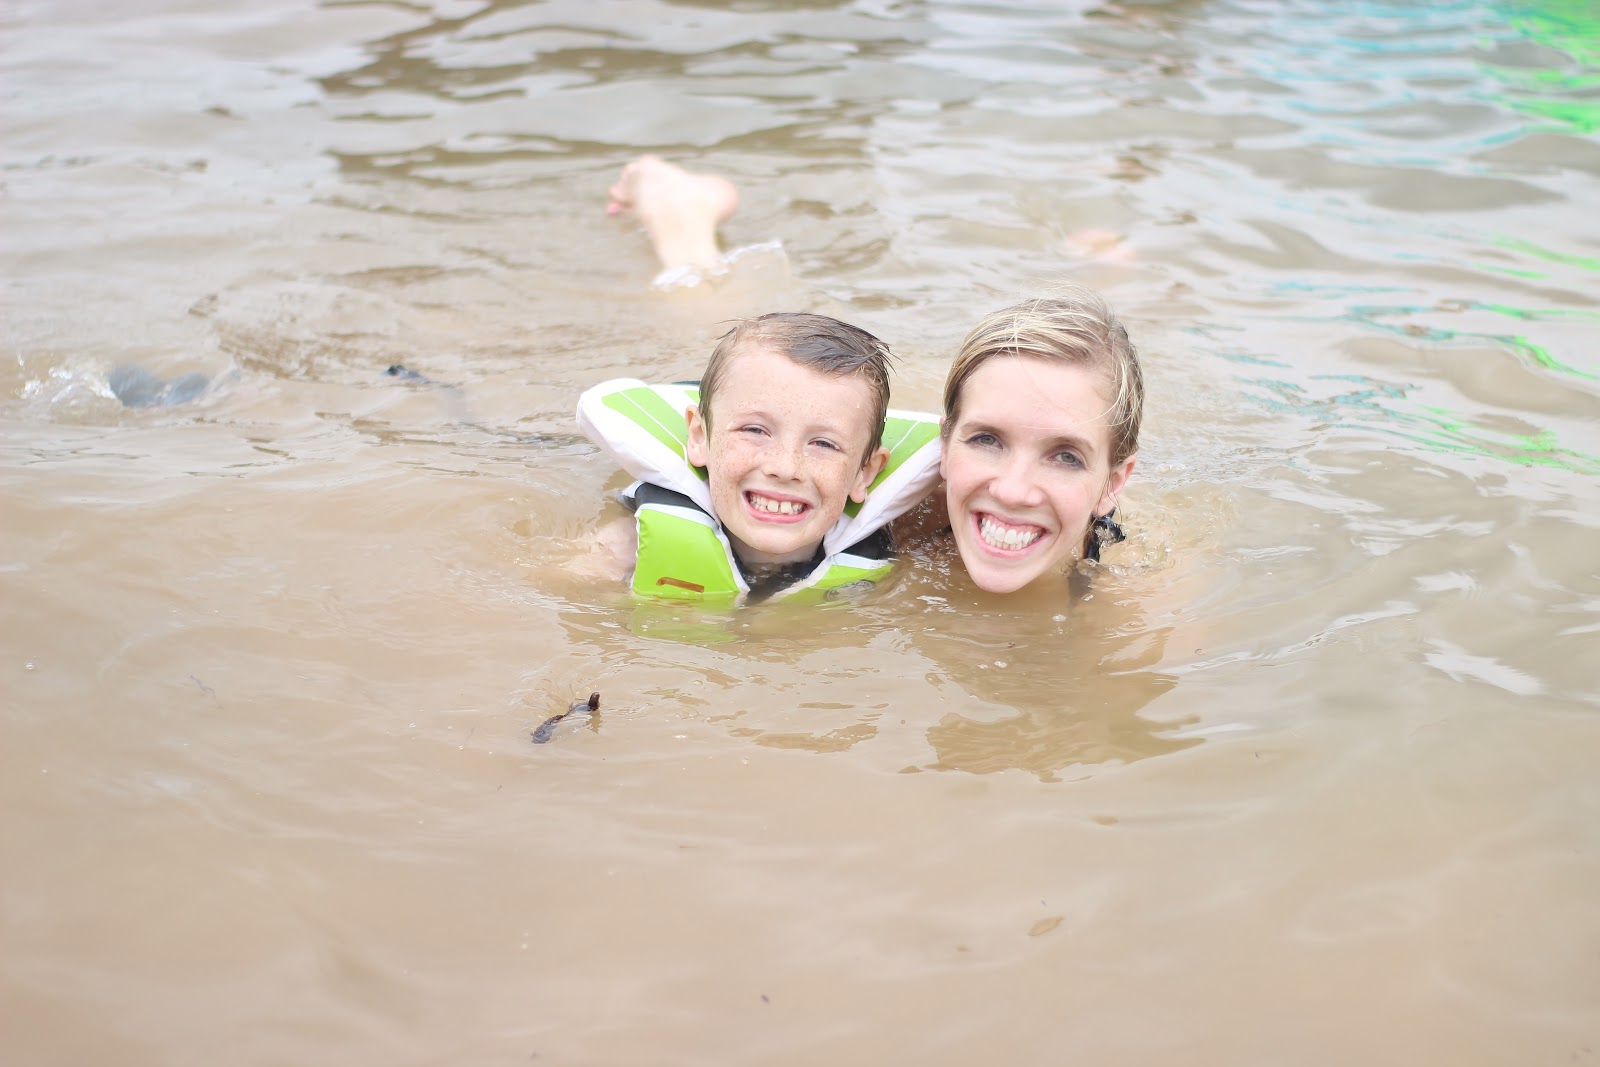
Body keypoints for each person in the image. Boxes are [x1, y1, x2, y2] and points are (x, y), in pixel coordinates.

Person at [603, 157, 1139, 598]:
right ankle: (680, 217)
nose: (1015, 491)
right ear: (946, 445)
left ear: (1112, 483)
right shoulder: (908, 513)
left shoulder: (1138, 589)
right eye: (986, 440)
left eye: (1066, 456)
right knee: (711, 317)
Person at [575, 312, 942, 603]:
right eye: (755, 431)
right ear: (700, 437)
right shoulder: (625, 545)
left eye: (824, 444)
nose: (784, 468)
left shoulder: (898, 544)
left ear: (865, 472)